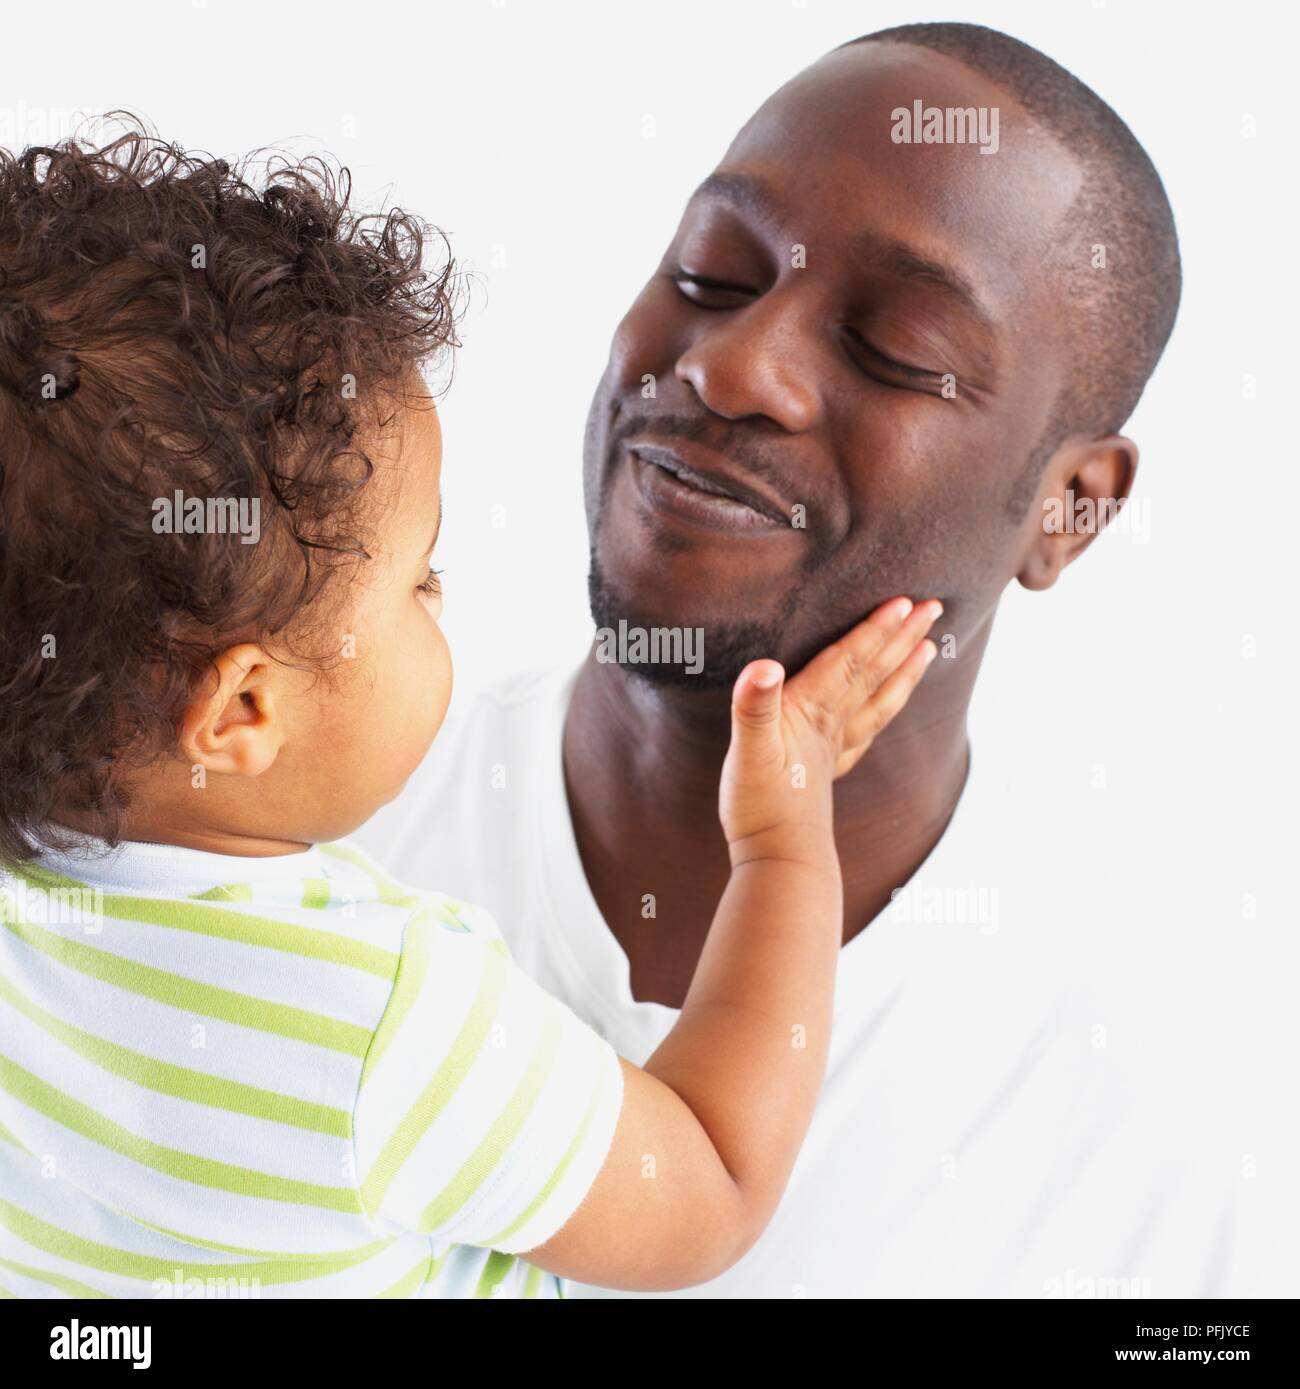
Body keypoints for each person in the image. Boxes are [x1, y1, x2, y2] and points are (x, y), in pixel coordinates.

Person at [356, 24, 1247, 1296]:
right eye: (714, 274)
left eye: (898, 354)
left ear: (1069, 508)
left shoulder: (1116, 1169)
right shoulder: (238, 838)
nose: (727, 367)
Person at [0, 124, 944, 1298]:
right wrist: (782, 838)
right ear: (243, 710)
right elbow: (709, 1183)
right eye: (419, 581)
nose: (445, 601)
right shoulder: (388, 1028)